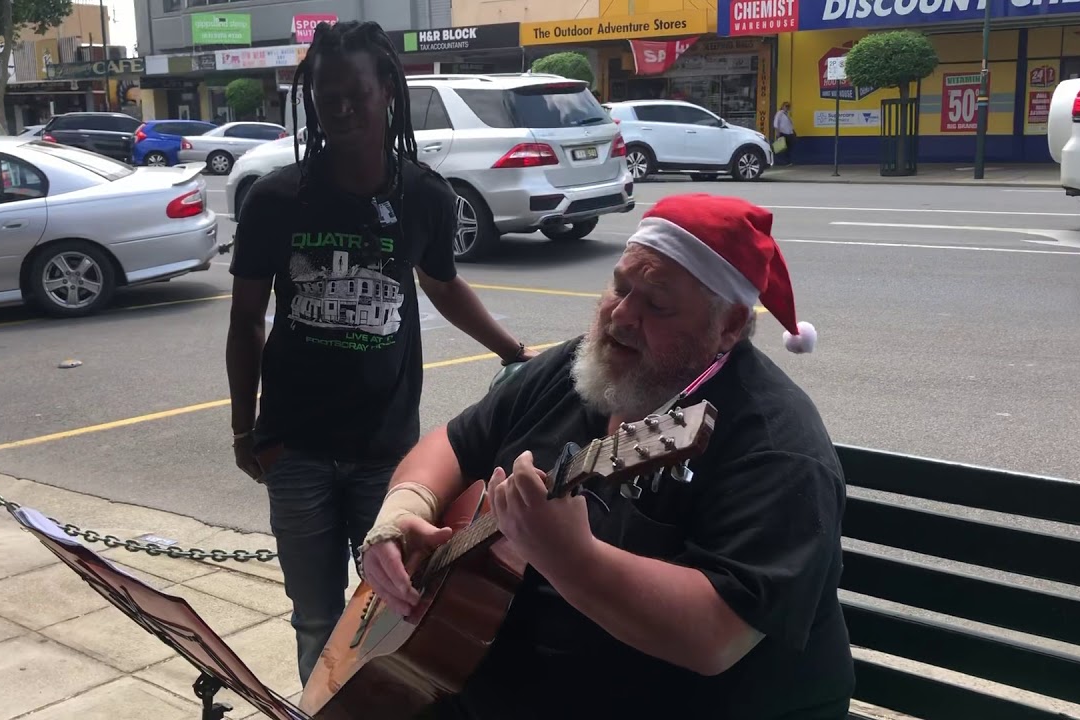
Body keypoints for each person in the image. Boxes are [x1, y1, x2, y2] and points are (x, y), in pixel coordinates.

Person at [360, 193, 854, 719]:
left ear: (729, 326)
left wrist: (572, 558)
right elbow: (456, 441)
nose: (621, 316)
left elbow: (716, 636)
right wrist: (402, 510)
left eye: (656, 304)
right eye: (620, 286)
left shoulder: (777, 446)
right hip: (479, 672)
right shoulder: (580, 369)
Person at [224, 19, 535, 687]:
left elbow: (442, 283)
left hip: (385, 454)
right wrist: (244, 429)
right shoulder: (278, 200)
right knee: (314, 617)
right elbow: (246, 319)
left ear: (388, 90)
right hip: (295, 450)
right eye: (325, 96)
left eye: (354, 94)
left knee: (388, 607)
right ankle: (321, 706)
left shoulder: (423, 195)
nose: (339, 110)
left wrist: (513, 350)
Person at [774, 101, 797, 165]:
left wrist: (793, 131)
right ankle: (783, 162)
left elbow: (789, 124)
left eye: (788, 106)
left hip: (789, 133)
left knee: (789, 147)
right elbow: (776, 123)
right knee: (782, 148)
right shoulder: (779, 113)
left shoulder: (787, 114)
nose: (787, 107)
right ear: (783, 106)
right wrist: (777, 132)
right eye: (786, 106)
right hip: (783, 132)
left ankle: (788, 161)